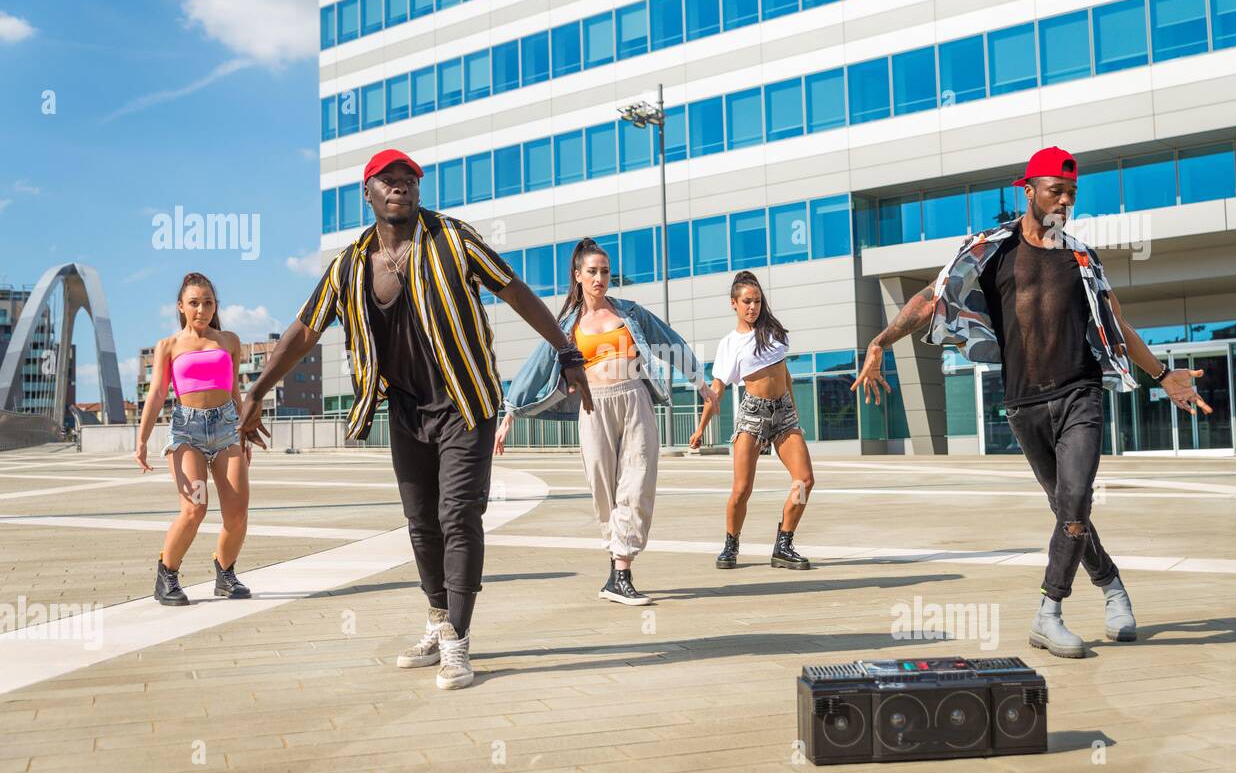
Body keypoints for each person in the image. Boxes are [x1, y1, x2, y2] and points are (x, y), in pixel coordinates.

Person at [238, 148, 591, 690]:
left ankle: (459, 642)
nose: (400, 187)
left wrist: (565, 349)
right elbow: (305, 330)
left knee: (459, 516)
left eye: (409, 180)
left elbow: (514, 290)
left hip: (465, 402)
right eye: (388, 180)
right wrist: (256, 390)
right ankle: (437, 617)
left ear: (418, 191)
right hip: (405, 409)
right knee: (421, 522)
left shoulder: (454, 238)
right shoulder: (351, 264)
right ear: (368, 193)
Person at [853, 146, 1212, 658]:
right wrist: (880, 342)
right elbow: (930, 301)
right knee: (1067, 510)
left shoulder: (1082, 261)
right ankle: (1111, 586)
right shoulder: (991, 253)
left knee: (1075, 503)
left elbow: (1115, 325)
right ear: (1029, 191)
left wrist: (1161, 375)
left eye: (1071, 193)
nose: (1065, 201)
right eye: (1055, 191)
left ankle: (1049, 611)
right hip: (1024, 406)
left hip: (1080, 394)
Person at [498, 238, 718, 605]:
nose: (600, 278)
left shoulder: (630, 313)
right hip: (592, 407)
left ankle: (621, 571)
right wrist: (510, 414)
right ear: (578, 276)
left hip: (635, 399)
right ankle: (616, 562)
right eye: (592, 272)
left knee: (638, 480)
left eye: (605, 272)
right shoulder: (567, 324)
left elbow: (670, 341)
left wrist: (699, 381)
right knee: (604, 488)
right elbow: (537, 367)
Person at [136, 272, 253, 606]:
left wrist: (244, 432)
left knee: (237, 513)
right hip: (187, 432)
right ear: (181, 306)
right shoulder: (169, 346)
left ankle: (225, 573)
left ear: (215, 305)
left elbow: (234, 391)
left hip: (227, 429)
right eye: (194, 303)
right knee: (194, 509)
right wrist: (142, 440)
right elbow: (157, 394)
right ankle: (167, 575)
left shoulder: (228, 340)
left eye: (208, 302)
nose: (201, 309)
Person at [691, 270, 816, 571]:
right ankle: (731, 544)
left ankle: (783, 544)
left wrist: (794, 413)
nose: (753, 307)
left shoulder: (774, 333)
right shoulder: (730, 344)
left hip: (783, 413)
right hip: (752, 414)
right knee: (741, 489)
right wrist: (701, 428)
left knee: (805, 481)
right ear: (733, 303)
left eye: (757, 301)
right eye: (747, 301)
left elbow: (784, 374)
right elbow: (717, 390)